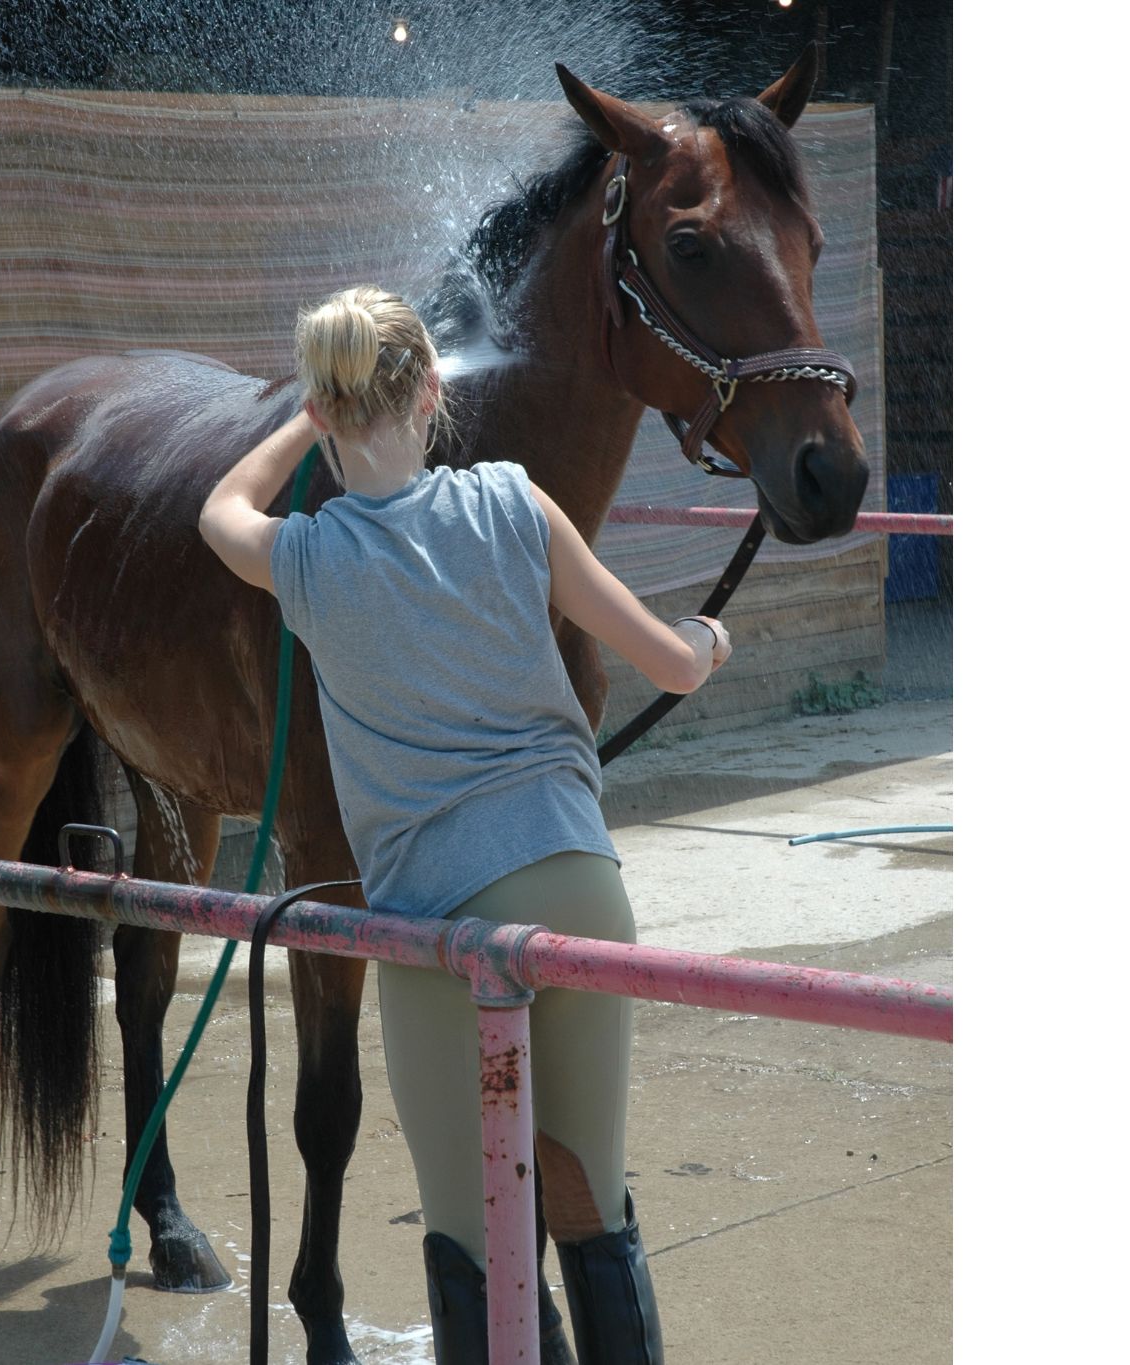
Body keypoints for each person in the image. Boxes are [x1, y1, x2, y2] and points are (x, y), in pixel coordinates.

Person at [198, 285, 729, 1365]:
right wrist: (709, 638)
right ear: (432, 391)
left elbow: (220, 511)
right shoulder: (515, 502)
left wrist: (304, 417)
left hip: (436, 925)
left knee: (471, 1238)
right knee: (594, 1204)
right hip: (575, 883)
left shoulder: (308, 558)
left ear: (326, 409)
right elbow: (672, 664)